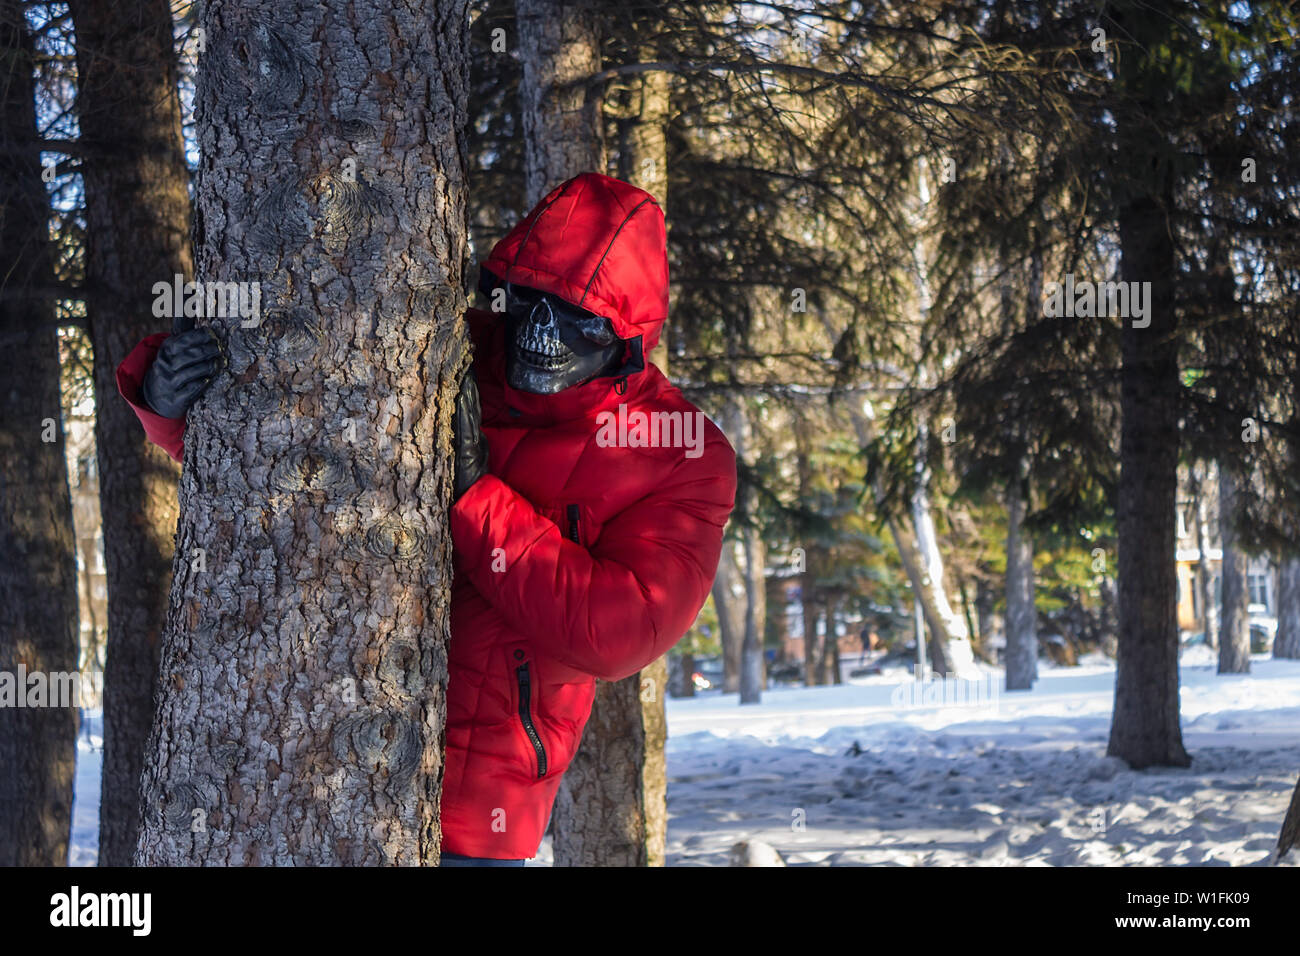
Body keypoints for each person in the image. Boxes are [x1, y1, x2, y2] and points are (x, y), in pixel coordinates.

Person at [116, 172, 737, 865]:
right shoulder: (446, 351)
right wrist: (176, 405)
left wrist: (479, 501)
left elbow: (619, 630)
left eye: (576, 316)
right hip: (313, 758)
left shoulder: (680, 452)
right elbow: (296, 468)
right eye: (527, 300)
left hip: (477, 808)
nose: (538, 332)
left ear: (628, 337)